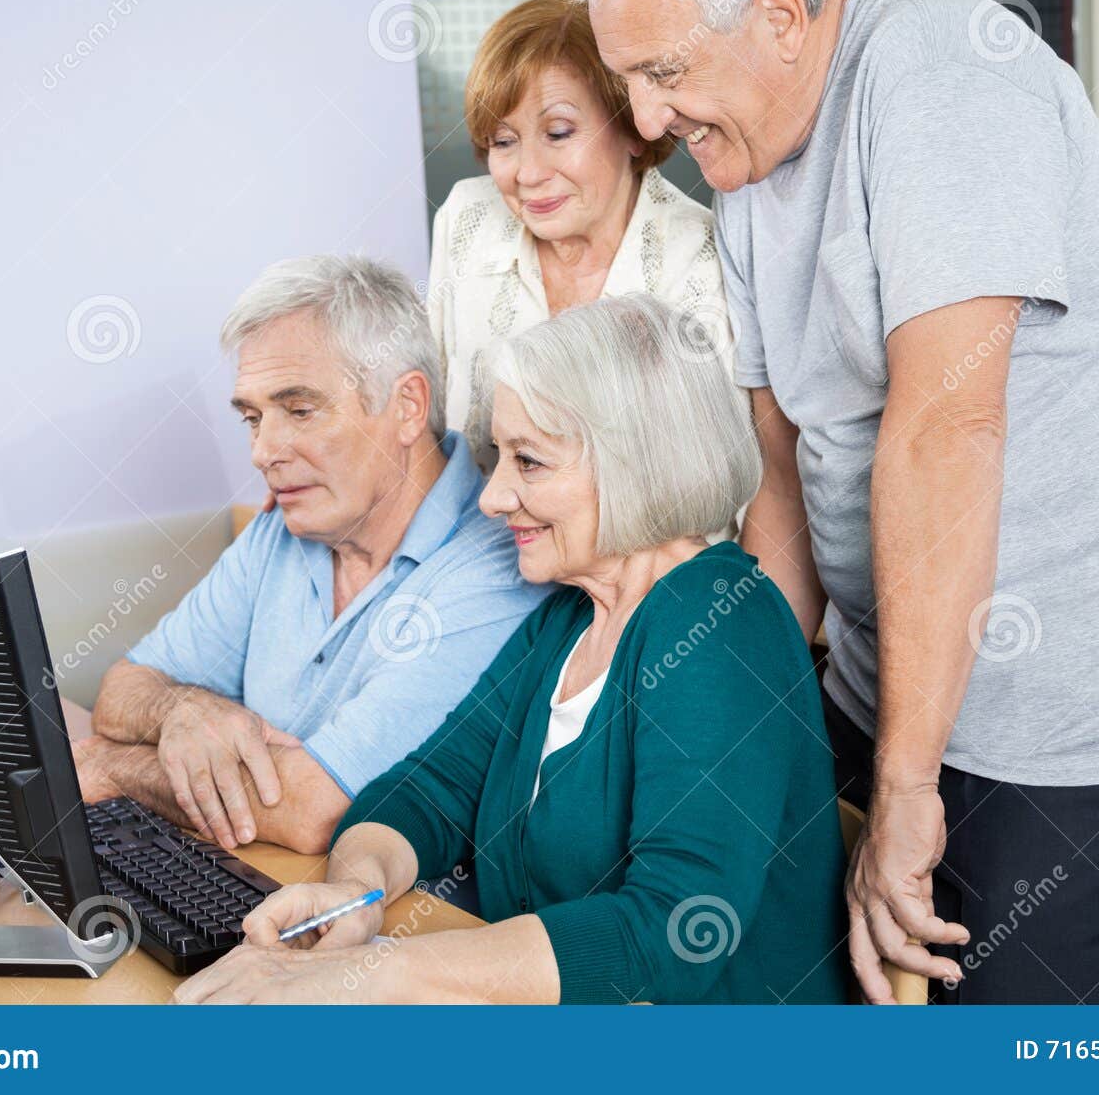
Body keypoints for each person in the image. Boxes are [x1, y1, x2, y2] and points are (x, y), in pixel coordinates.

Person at [568, 0, 1099, 1004]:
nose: (646, 120)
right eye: (628, 82)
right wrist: (729, 691)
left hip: (1079, 702)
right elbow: (781, 474)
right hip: (900, 677)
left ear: (780, 16)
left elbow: (946, 431)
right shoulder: (745, 178)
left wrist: (904, 786)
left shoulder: (942, 78)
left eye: (663, 72)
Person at [174, 294, 848, 1005]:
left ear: (635, 464)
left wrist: (377, 971)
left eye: (529, 462)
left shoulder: (717, 625)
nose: (493, 498)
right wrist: (352, 893)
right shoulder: (565, 618)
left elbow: (669, 933)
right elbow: (425, 792)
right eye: (501, 458)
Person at [73, 255, 550, 854]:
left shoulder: (494, 565)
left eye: (299, 410)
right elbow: (122, 691)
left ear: (406, 406)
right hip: (255, 881)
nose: (263, 453)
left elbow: (314, 811)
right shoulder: (290, 522)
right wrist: (180, 710)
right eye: (253, 418)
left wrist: (115, 771)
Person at [428, 0, 732, 474]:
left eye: (558, 133)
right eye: (504, 141)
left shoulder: (699, 250)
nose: (528, 173)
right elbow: (434, 419)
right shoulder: (469, 216)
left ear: (633, 127)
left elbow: (716, 473)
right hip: (483, 537)